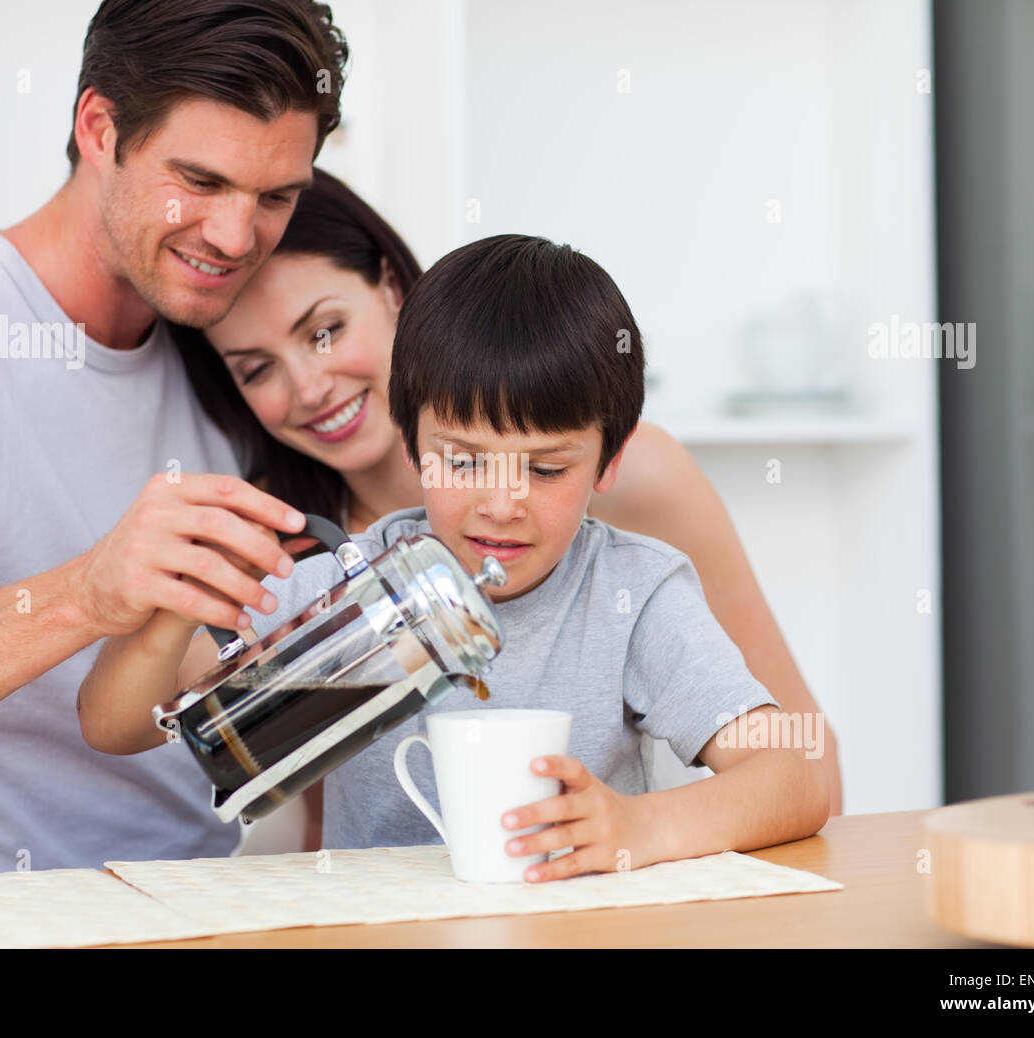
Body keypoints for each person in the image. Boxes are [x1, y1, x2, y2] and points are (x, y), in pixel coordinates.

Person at [78, 234, 831, 882]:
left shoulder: (631, 591)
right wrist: (175, 608)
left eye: (545, 469)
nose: (502, 502)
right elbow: (118, 726)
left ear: (607, 465)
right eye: (464, 463)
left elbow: (794, 775)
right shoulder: (350, 583)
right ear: (412, 446)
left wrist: (640, 830)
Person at [0, 0, 348, 879]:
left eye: (276, 197)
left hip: (201, 917)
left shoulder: (232, 343)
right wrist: (81, 597)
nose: (235, 235)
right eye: (202, 181)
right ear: (99, 127)